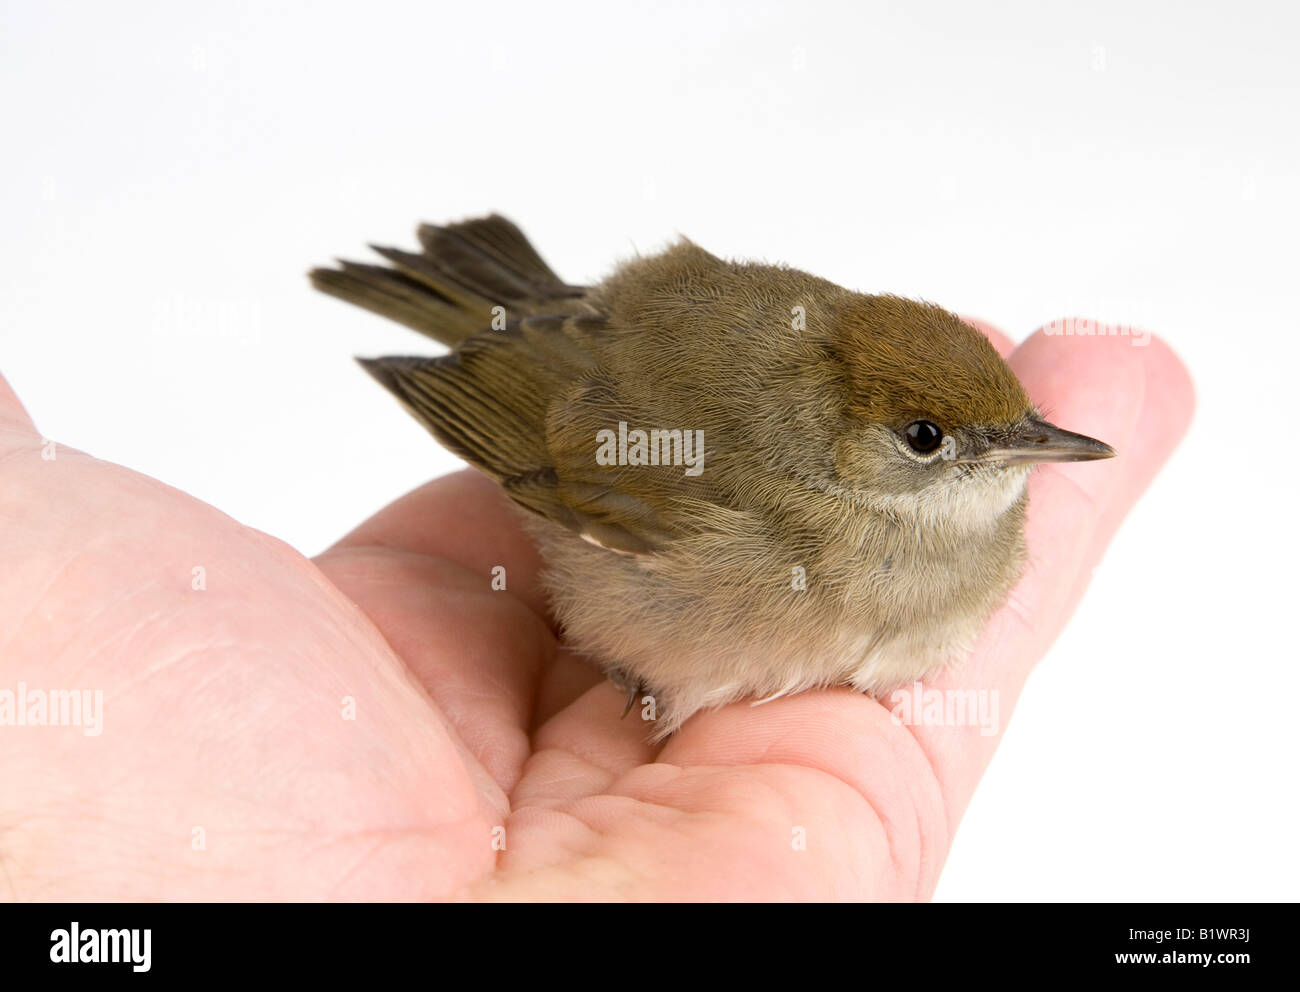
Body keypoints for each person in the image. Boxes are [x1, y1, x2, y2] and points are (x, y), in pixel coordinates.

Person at [0, 323, 1193, 900]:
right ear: (847, 443)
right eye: (931, 441)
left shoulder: (985, 534)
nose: (1019, 458)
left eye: (1014, 432)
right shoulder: (733, 496)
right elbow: (550, 452)